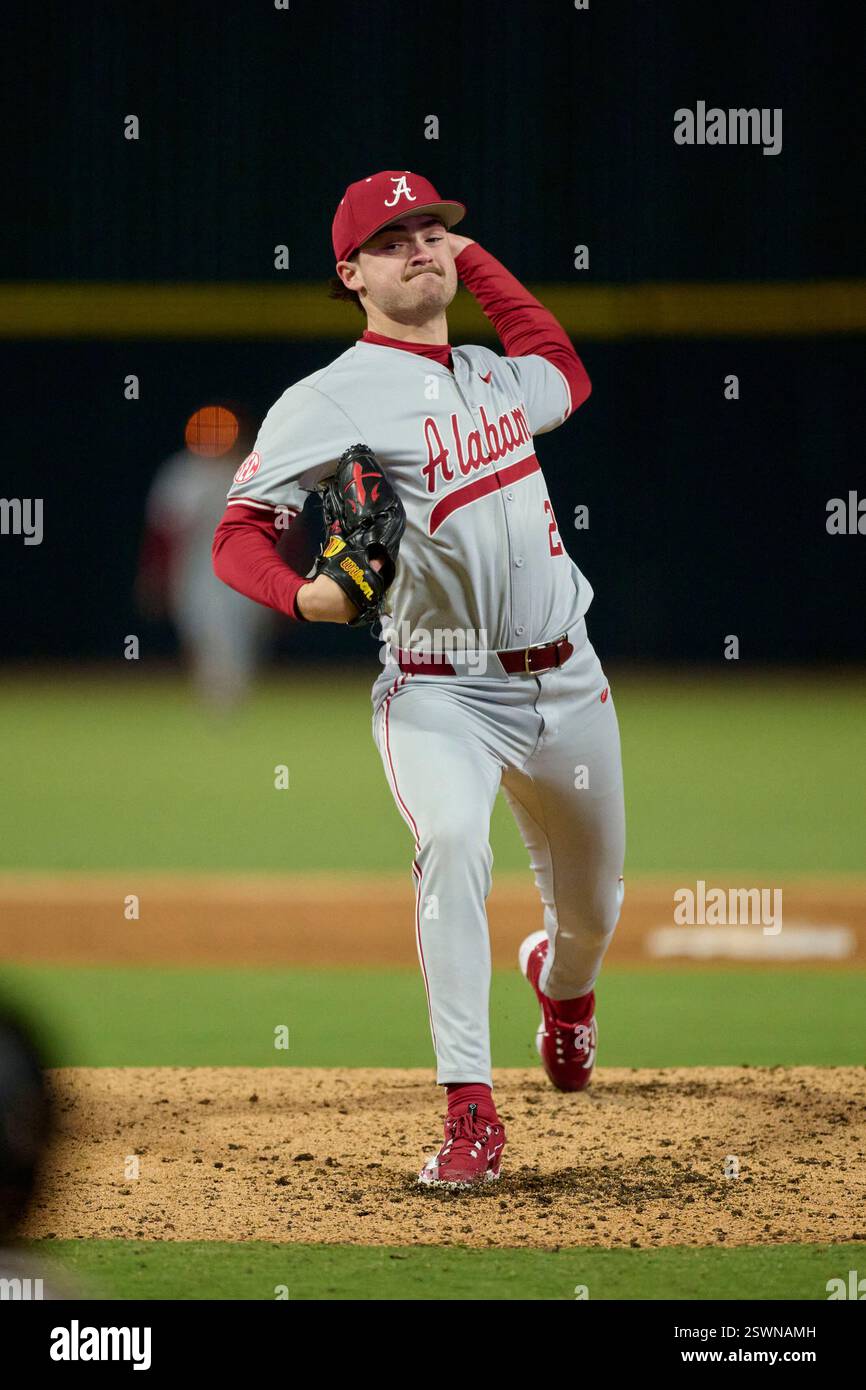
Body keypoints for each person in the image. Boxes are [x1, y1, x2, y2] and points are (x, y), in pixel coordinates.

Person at [213, 170, 626, 1186]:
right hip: (440, 691)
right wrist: (301, 597)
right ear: (347, 274)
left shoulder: (494, 373)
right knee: (449, 841)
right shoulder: (324, 400)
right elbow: (237, 534)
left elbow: (565, 370)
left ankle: (560, 991)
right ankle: (468, 1108)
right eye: (392, 240)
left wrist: (463, 252)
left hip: (566, 681)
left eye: (432, 232)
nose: (421, 249)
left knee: (591, 917)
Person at [137, 405, 277, 712]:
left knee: (242, 635)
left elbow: (282, 530)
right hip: (196, 570)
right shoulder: (182, 474)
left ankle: (232, 697)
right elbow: (163, 534)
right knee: (204, 631)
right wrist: (154, 576)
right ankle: (217, 697)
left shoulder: (256, 471)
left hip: (248, 568)